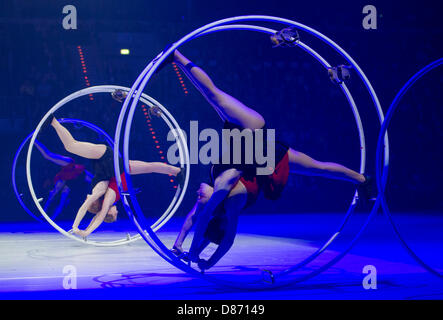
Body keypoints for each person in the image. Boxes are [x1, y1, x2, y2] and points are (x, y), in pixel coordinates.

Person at [166, 49, 373, 271]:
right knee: (316, 167)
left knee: (212, 95)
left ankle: (176, 57)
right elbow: (212, 224)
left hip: (256, 147)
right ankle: (362, 179)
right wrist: (199, 255)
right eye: (200, 195)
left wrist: (186, 249)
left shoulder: (218, 197)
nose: (198, 192)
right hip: (256, 137)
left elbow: (200, 217)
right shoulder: (226, 191)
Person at [43, 114, 184, 238]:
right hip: (118, 168)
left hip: (106, 158)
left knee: (71, 146)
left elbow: (96, 213)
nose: (117, 212)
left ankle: (53, 121)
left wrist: (82, 229)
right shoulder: (106, 196)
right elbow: (96, 213)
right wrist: (81, 228)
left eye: (115, 214)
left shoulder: (104, 196)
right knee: (149, 167)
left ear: (108, 211)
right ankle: (177, 171)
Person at [35, 140, 92, 218]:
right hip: (71, 166)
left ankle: (35, 141)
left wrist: (50, 218)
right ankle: (34, 140)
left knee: (47, 156)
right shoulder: (63, 185)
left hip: (72, 170)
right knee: (48, 156)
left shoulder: (63, 185)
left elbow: (60, 204)